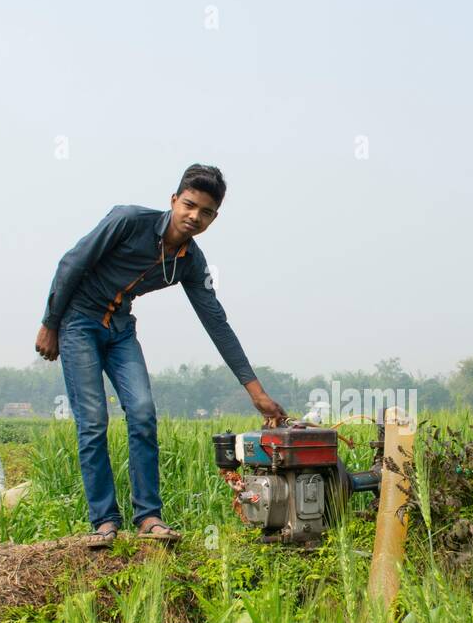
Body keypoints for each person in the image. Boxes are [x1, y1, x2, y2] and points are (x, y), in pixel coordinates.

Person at [34, 164, 286, 546]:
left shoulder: (191, 261)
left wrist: (256, 393)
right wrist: (50, 322)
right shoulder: (128, 221)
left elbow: (216, 322)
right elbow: (73, 263)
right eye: (189, 205)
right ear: (173, 200)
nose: (194, 217)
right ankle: (104, 522)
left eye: (205, 213)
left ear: (214, 218)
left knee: (142, 413)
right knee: (93, 421)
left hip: (120, 329)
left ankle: (149, 517)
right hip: (79, 322)